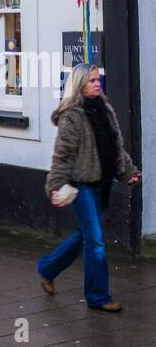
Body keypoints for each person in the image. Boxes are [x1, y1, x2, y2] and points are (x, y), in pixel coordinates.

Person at [37, 62, 141, 313]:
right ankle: (98, 296)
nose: (97, 84)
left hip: (101, 183)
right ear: (79, 84)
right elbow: (62, 155)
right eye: (92, 80)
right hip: (80, 185)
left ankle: (47, 269)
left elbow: (115, 146)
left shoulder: (104, 109)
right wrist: (55, 184)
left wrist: (127, 171)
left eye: (98, 80)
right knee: (95, 241)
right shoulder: (72, 116)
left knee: (85, 235)